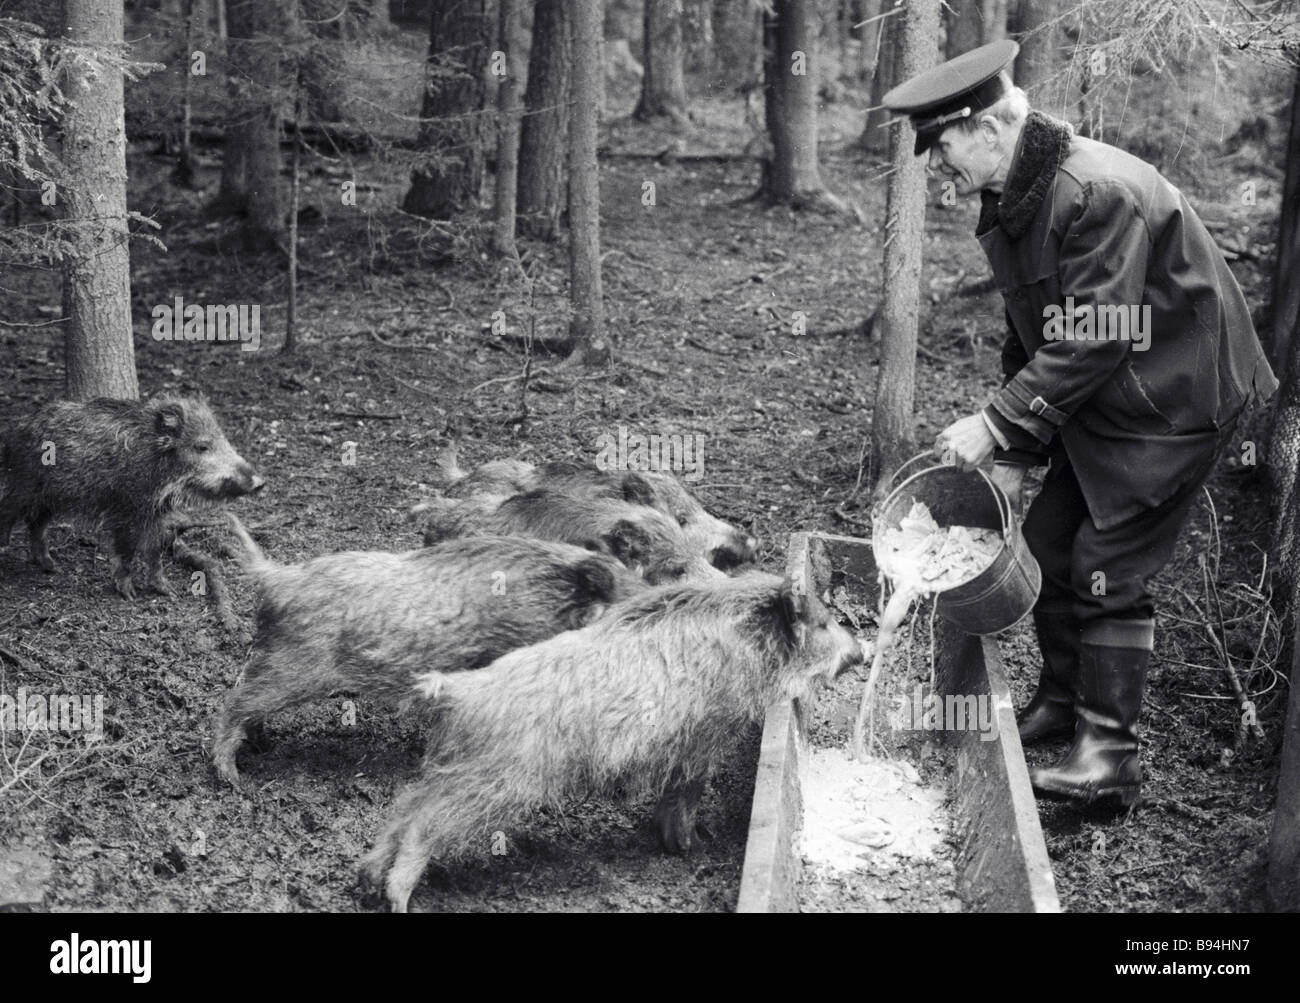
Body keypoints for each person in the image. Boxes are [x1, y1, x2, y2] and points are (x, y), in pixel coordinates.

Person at [883, 40, 1278, 807]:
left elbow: (1099, 334)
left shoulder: (1093, 192)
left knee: (1107, 561)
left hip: (1175, 394)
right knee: (1048, 545)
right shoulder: (1018, 197)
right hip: (1113, 395)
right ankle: (1063, 704)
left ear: (990, 129)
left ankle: (1111, 757)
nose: (939, 167)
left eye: (944, 147)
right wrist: (1015, 446)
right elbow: (1031, 327)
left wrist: (995, 423)